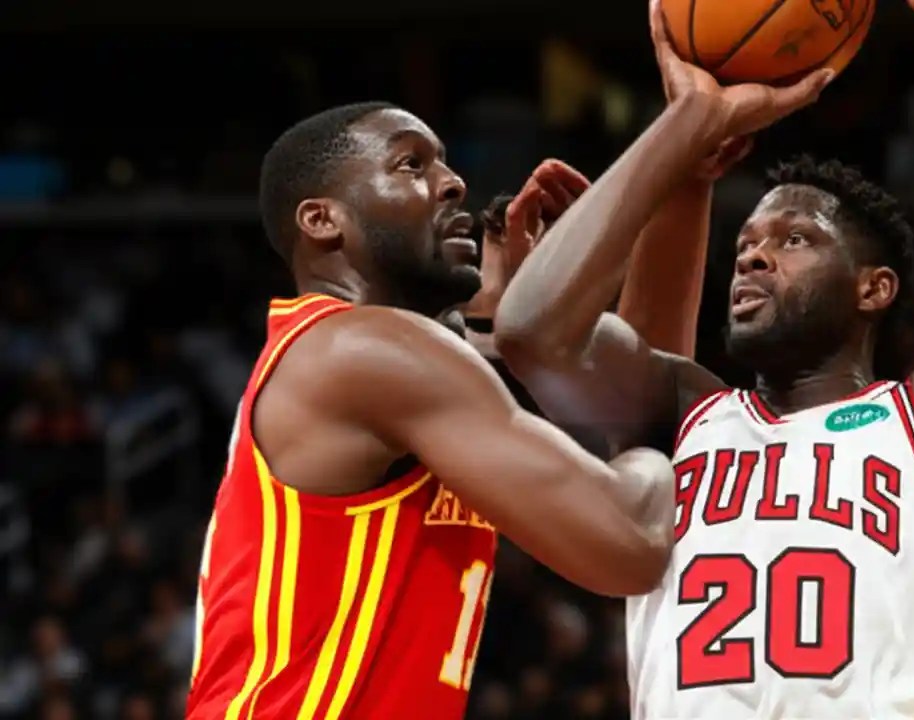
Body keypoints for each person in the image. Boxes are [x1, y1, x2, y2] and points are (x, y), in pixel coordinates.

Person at [494, 0, 914, 715]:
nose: (756, 256)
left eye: (795, 239)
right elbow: (532, 333)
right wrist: (684, 128)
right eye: (746, 246)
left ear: (873, 288)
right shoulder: (683, 416)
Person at [185, 102, 679, 720]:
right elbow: (631, 542)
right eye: (410, 164)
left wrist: (683, 181)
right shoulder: (361, 351)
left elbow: (641, 389)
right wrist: (683, 436)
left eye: (443, 163)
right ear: (321, 220)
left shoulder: (386, 370)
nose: (453, 182)